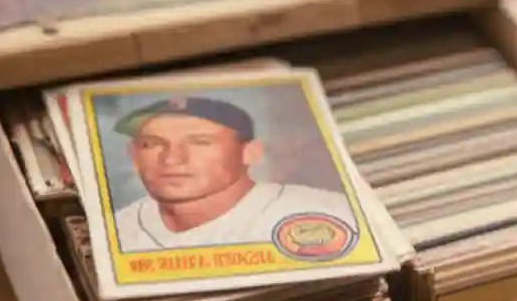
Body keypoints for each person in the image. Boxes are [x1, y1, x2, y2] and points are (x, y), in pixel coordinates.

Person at [112, 95, 358, 250]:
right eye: (151, 144)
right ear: (134, 155)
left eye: (200, 142)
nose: (172, 158)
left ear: (250, 153)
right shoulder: (116, 230)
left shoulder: (326, 211)